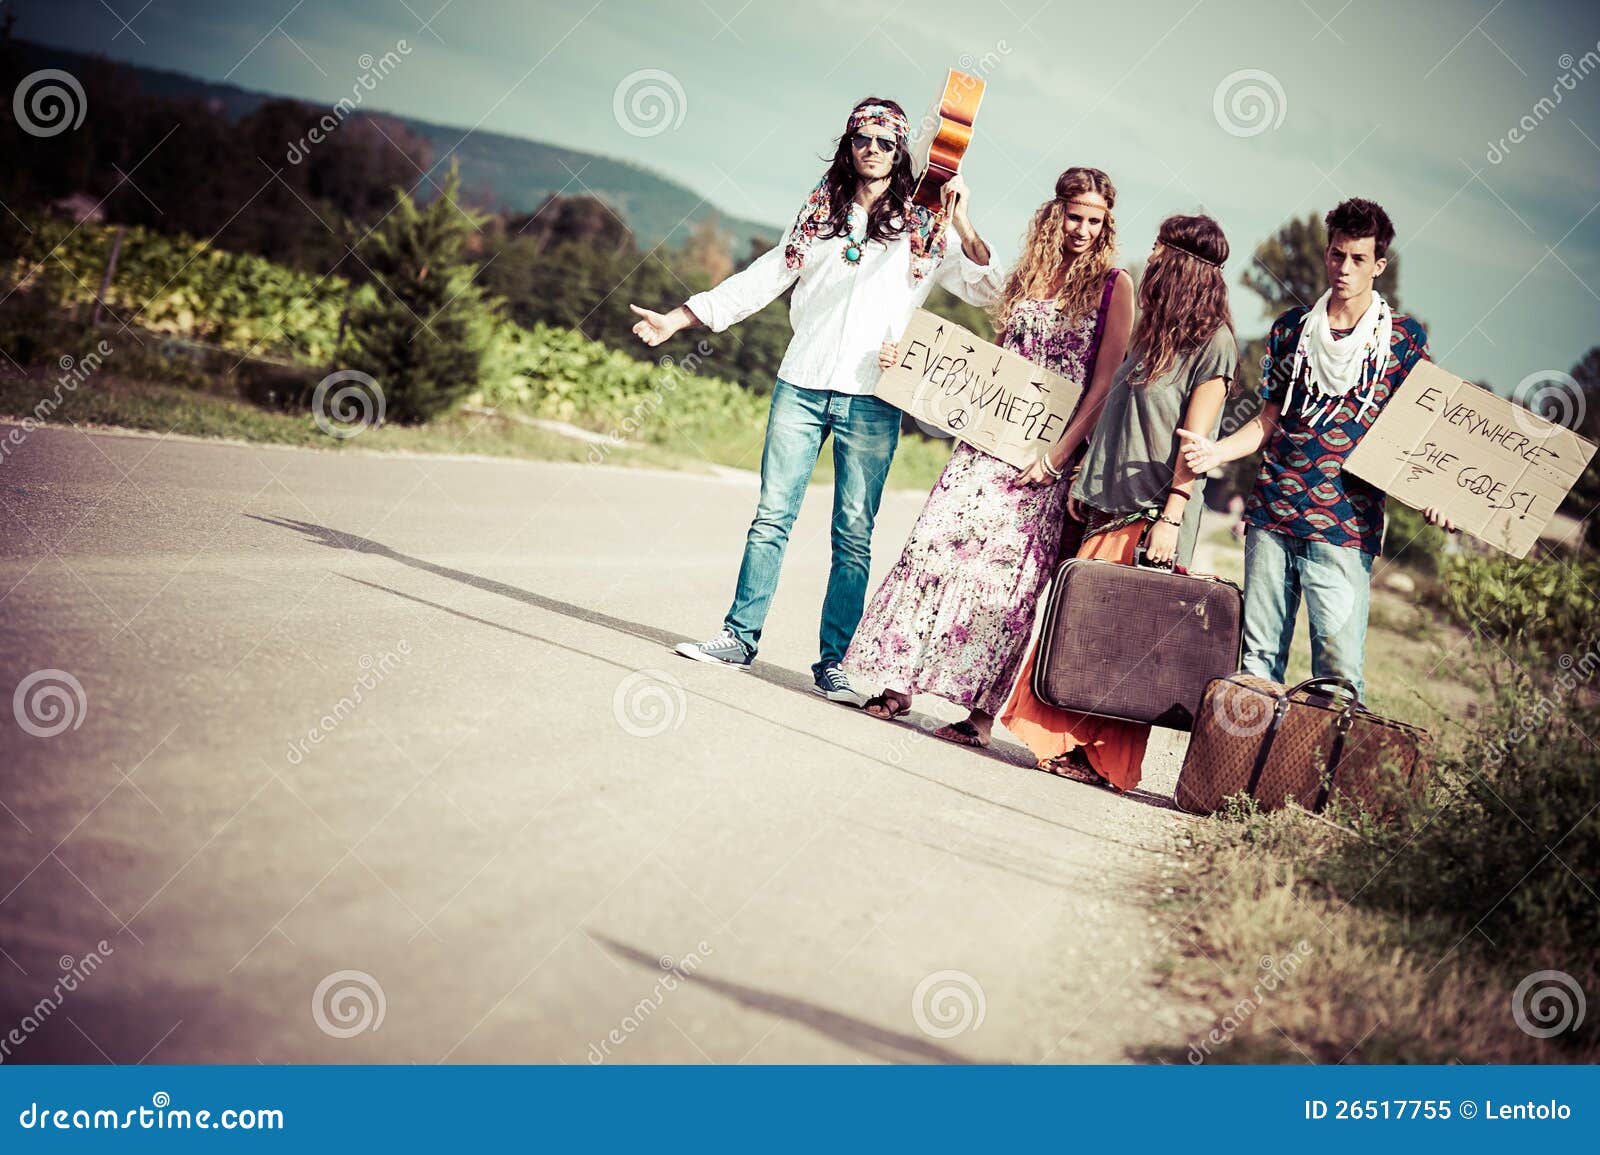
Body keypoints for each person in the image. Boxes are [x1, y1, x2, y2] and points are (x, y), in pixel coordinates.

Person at [630, 97, 1001, 704]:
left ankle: (834, 663)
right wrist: (682, 317)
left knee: (853, 534)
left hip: (873, 399)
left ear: (900, 150)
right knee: (771, 518)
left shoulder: (924, 224)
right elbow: (765, 276)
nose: (872, 150)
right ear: (849, 144)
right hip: (801, 383)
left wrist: (960, 221)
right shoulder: (819, 215)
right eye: (862, 139)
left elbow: (986, 287)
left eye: (885, 142)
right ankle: (737, 638)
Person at [843, 167, 1134, 747]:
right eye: (1074, 215)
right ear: (1058, 212)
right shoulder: (1029, 274)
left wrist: (1057, 459)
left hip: (1043, 457)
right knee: (933, 546)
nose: (1081, 229)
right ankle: (900, 681)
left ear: (1107, 224)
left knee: (1003, 580)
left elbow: (1103, 386)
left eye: (1093, 220)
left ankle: (978, 712)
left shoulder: (1114, 284)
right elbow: (993, 358)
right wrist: (919, 362)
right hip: (986, 441)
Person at [1177, 198, 1454, 704]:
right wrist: (1216, 453)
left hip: (1346, 529)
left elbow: (1425, 434)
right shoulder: (1291, 331)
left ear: (1379, 265)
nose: (1343, 268)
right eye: (1336, 255)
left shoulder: (1403, 342)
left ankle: (1320, 784)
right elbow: (1267, 420)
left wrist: (1439, 497)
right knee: (1257, 661)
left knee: (1339, 673)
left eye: (1357, 259)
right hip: (1273, 515)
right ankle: (1241, 781)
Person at [1000, 214, 1239, 792]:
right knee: (1093, 631)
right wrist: (1087, 476)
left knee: (1125, 641)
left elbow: (1195, 444)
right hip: (1109, 502)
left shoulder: (1215, 345)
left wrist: (1172, 516)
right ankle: (1080, 750)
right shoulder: (1152, 332)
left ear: (1182, 265)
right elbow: (1119, 415)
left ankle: (1106, 761)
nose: (1150, 256)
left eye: (1159, 250)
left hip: (1153, 514)